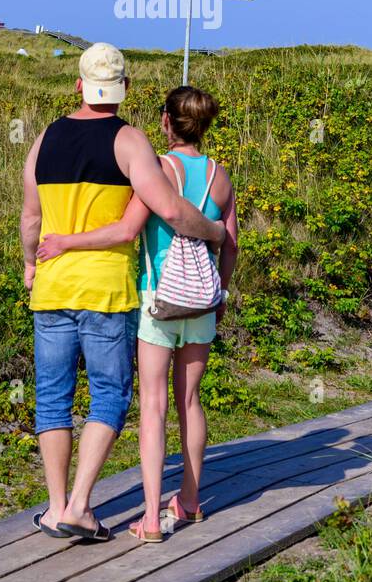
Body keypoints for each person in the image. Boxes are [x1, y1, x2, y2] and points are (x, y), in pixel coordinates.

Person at [20, 45, 225, 542]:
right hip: (107, 290)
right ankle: (80, 505)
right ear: (124, 89)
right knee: (109, 395)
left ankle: (53, 507)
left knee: (51, 397)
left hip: (51, 288)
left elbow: (30, 217)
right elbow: (171, 212)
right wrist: (216, 234)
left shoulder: (45, 138)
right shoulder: (130, 141)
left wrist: (31, 263)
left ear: (78, 86)